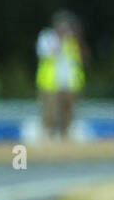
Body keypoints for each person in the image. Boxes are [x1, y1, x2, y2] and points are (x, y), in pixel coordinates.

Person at [36, 10, 86, 139]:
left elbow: (80, 59)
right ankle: (48, 137)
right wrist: (59, 40)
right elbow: (47, 53)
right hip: (50, 84)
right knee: (49, 113)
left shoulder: (72, 41)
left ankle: (65, 136)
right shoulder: (47, 37)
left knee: (68, 113)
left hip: (69, 84)